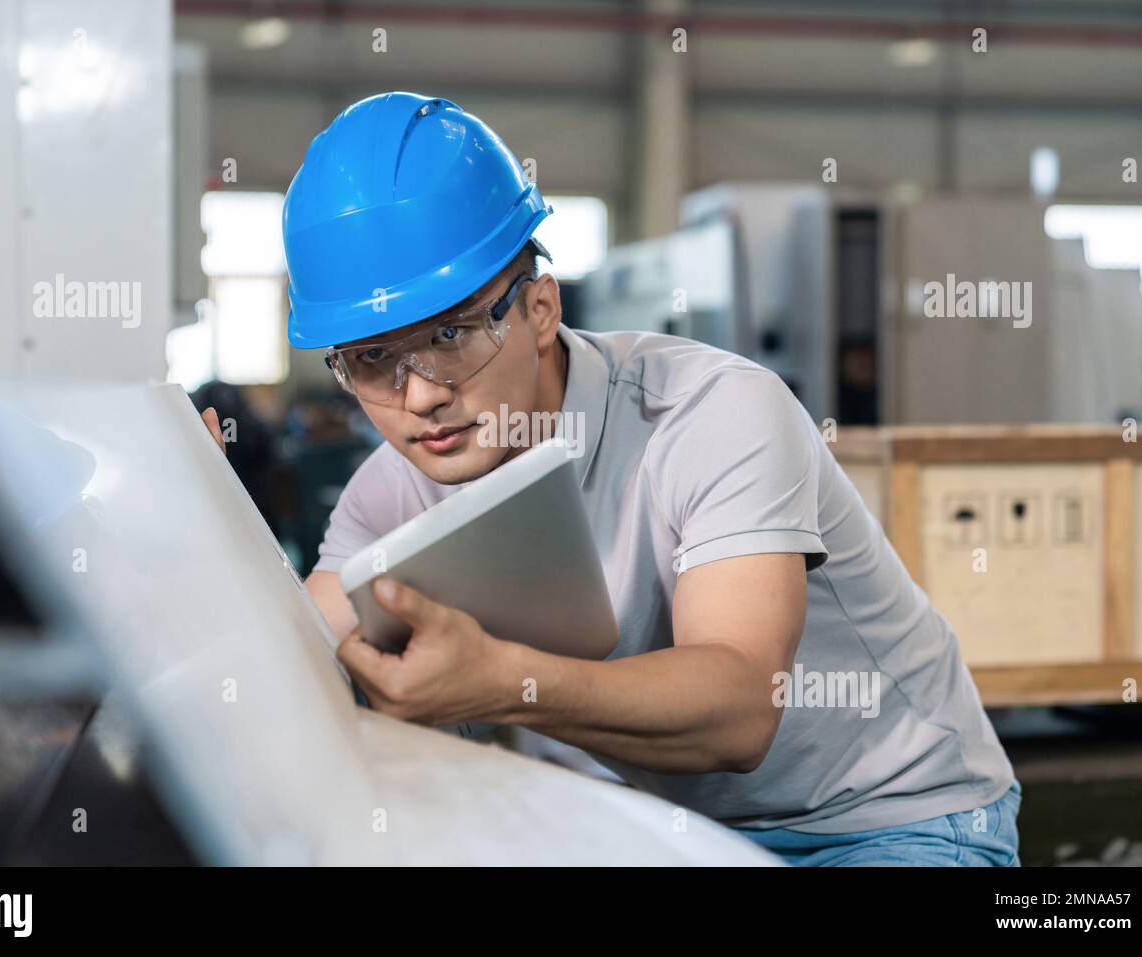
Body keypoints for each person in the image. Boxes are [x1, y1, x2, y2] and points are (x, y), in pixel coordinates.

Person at [207, 92, 1021, 866]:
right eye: (373, 359)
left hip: (889, 819)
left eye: (452, 334)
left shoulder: (713, 414)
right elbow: (300, 660)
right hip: (675, 829)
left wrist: (496, 682)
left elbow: (740, 709)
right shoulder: (389, 491)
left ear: (540, 309)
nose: (419, 395)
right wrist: (201, 538)